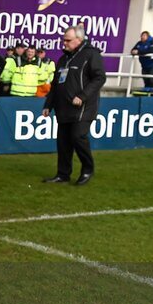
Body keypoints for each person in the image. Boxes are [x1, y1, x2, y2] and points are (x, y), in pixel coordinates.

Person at [42, 24, 106, 186]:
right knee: (63, 142)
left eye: (68, 40)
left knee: (78, 137)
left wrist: (83, 96)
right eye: (63, 40)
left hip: (83, 108)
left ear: (79, 39)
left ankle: (87, 169)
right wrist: (48, 105)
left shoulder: (91, 55)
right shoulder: (64, 59)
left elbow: (99, 78)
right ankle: (63, 174)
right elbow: (56, 84)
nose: (64, 43)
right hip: (64, 108)